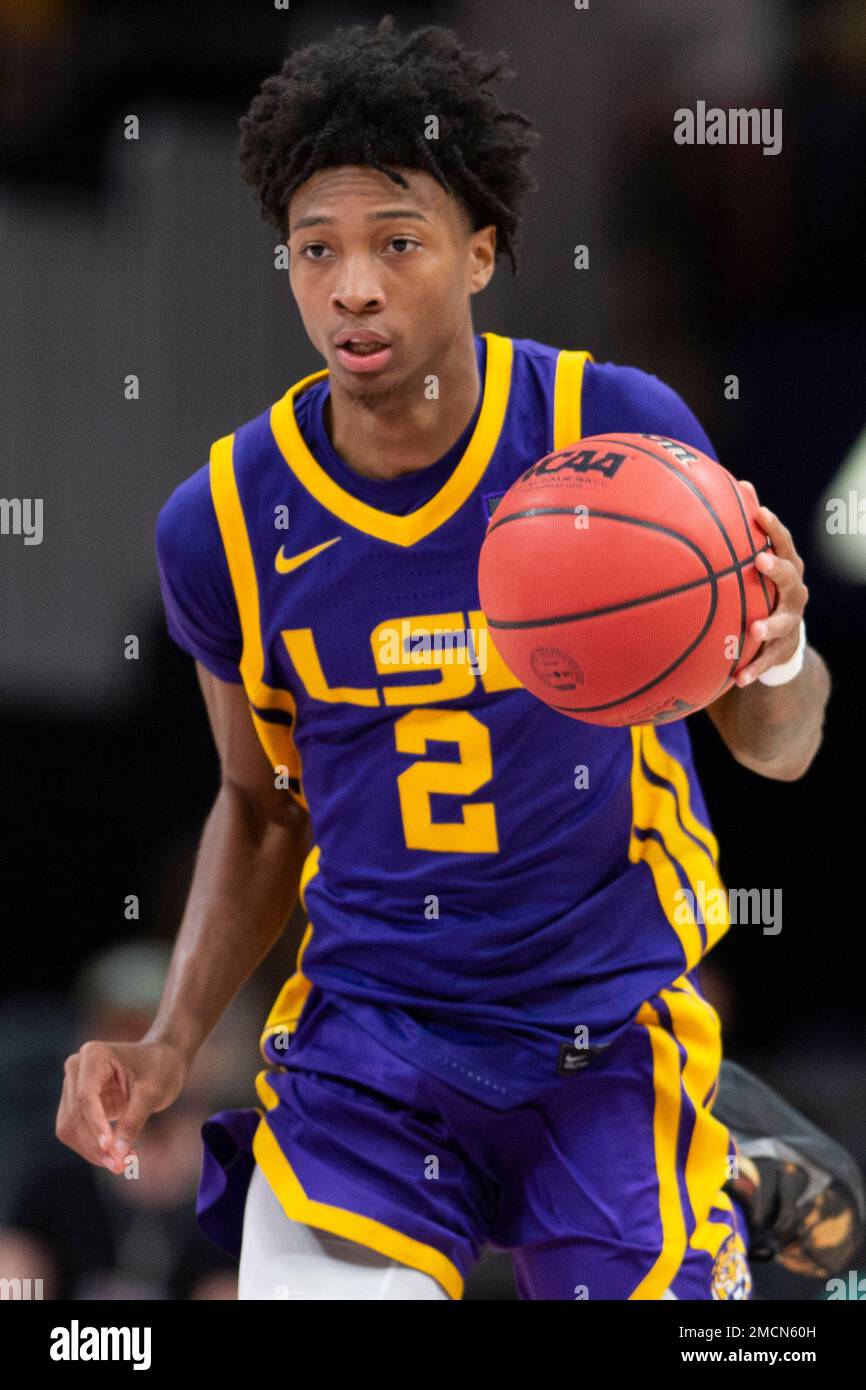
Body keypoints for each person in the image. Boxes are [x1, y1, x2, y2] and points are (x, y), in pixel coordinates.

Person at [56, 16, 861, 1299]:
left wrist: (770, 651)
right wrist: (167, 1040)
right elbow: (259, 813)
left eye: (397, 244)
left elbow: (781, 747)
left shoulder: (614, 432)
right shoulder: (224, 517)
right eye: (316, 251)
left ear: (480, 254)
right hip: (373, 1041)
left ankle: (726, 1162)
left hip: (600, 1028)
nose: (352, 287)